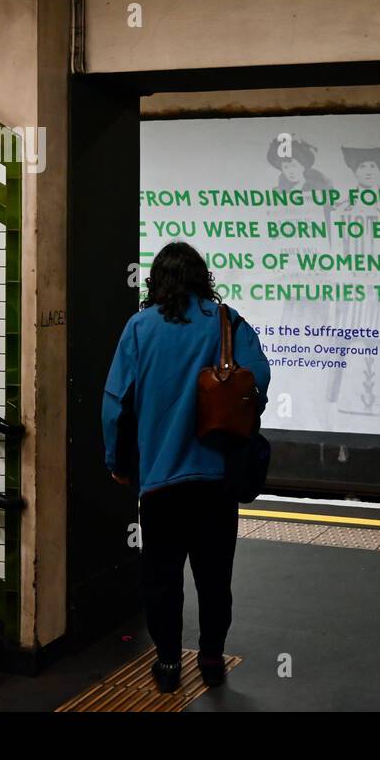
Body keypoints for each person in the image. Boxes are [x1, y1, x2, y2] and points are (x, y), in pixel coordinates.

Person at [102, 241, 271, 693]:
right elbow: (256, 380)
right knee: (215, 577)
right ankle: (213, 659)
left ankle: (169, 663)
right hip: (217, 479)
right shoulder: (225, 322)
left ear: (155, 281)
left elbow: (116, 403)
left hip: (160, 481)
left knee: (161, 578)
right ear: (203, 278)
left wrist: (117, 462)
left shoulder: (139, 328)